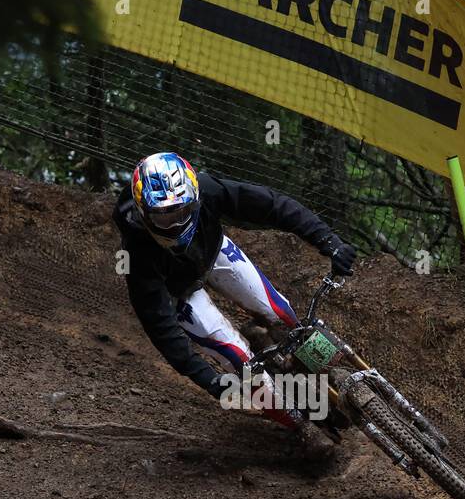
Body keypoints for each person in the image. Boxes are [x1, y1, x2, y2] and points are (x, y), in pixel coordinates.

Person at [113, 151, 355, 436]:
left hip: (213, 252)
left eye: (182, 211)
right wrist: (210, 381)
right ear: (143, 214)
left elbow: (271, 205)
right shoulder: (137, 253)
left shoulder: (209, 190)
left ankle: (333, 366)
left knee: (281, 314)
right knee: (240, 363)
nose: (176, 223)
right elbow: (160, 327)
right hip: (178, 292)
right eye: (164, 218)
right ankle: (302, 427)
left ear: (195, 197)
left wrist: (328, 240)